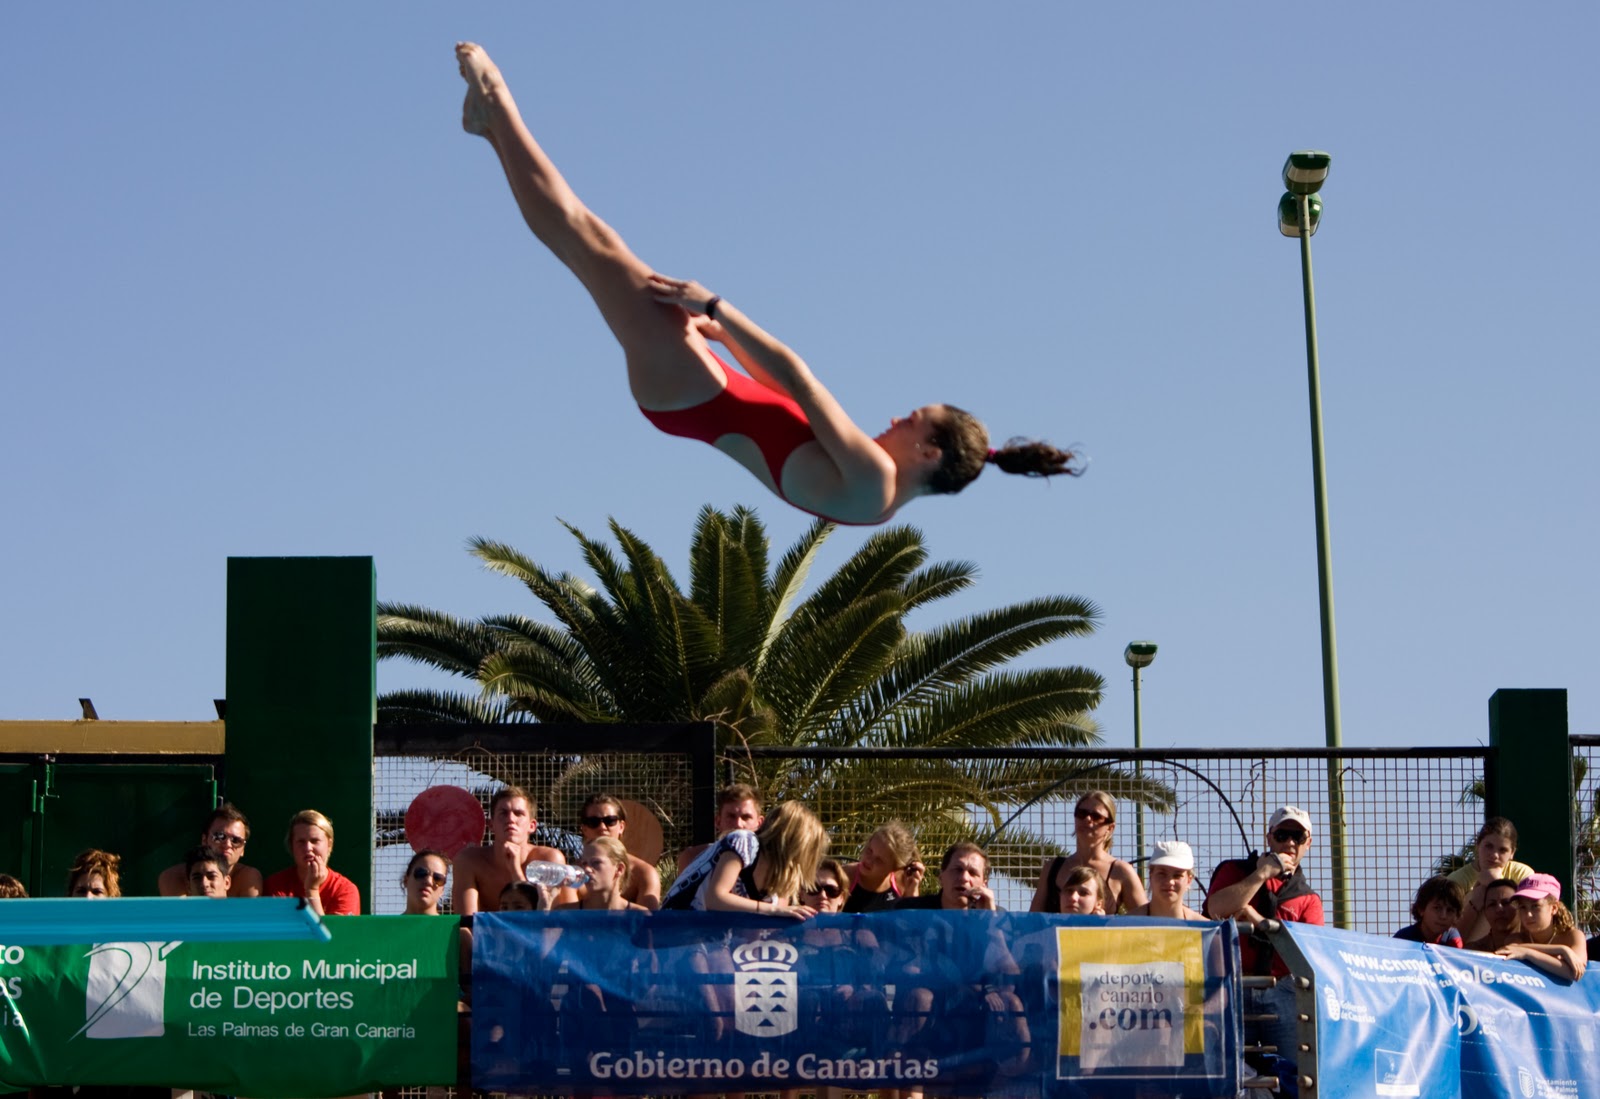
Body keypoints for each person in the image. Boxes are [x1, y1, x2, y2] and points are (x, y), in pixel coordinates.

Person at [453, 43, 1080, 527]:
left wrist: (717, 305)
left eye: (915, 418)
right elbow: (782, 389)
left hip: (691, 391)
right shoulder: (873, 476)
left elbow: (802, 380)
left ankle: (498, 100)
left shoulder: (874, 483)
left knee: (589, 240)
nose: (897, 415)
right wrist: (721, 334)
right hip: (701, 385)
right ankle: (491, 124)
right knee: (585, 245)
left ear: (930, 454)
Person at [1203, 806, 1324, 1075]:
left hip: (1282, 991)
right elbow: (1216, 909)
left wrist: (1256, 919)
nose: (1290, 843)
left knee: (1291, 1075)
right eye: (1282, 835)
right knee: (1228, 1073)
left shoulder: (1308, 898)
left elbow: (1308, 952)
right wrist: (1260, 875)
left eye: (1298, 837)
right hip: (1232, 987)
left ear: (1308, 843)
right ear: (1269, 838)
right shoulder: (1235, 871)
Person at [664, 800, 827, 916]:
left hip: (712, 933)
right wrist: (774, 910)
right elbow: (715, 898)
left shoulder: (778, 882)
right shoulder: (744, 842)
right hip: (678, 923)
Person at [453, 786, 577, 915]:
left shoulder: (548, 859)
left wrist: (515, 870)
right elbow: (466, 923)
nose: (511, 819)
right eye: (503, 813)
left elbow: (555, 922)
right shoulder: (469, 861)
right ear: (491, 825)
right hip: (488, 935)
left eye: (518, 814)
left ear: (532, 825)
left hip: (536, 934)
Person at [1029, 791, 1147, 915]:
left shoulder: (1121, 871)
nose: (1087, 819)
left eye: (1096, 816)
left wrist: (1107, 925)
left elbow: (1148, 923)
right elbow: (1032, 920)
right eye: (1081, 813)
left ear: (1110, 828)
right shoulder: (1052, 868)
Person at [263, 809, 361, 916]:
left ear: (329, 844)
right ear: (292, 846)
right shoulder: (276, 885)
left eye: (315, 841)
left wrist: (312, 890)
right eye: (301, 842)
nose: (308, 848)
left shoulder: (345, 890)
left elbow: (331, 933)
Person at [1448, 817, 1532, 941]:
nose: (1494, 855)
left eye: (1502, 850)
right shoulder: (1456, 880)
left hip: (1515, 945)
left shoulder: (1523, 873)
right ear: (1478, 845)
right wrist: (1476, 900)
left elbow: (1532, 917)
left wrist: (1497, 883)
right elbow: (1448, 934)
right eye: (1488, 846)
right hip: (1468, 948)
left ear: (1512, 853)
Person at [157, 802, 263, 898]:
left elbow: (247, 918)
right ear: (204, 840)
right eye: (219, 836)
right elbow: (182, 917)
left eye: (236, 840)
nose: (227, 844)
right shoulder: (174, 877)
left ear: (243, 849)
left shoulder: (247, 877)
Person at [575, 793, 661, 910]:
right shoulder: (574, 873)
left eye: (610, 820)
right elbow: (568, 921)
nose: (602, 827)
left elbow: (647, 924)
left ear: (621, 826)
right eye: (593, 822)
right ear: (584, 829)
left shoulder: (643, 873)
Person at [1497, 873, 1586, 980]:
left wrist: (1527, 953)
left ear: (1554, 908)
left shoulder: (1574, 935)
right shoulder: (1516, 939)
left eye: (1535, 906)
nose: (1528, 914)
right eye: (1523, 907)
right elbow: (1512, 948)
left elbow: (1573, 972)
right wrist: (1562, 949)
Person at [675, 783, 765, 872]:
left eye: (746, 817)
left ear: (759, 823)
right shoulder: (693, 858)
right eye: (731, 816)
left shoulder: (769, 862)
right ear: (718, 821)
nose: (738, 824)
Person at [841, 821, 925, 912]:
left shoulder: (903, 882)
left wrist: (912, 890)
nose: (869, 860)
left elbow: (911, 922)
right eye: (870, 850)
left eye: (879, 860)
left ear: (895, 867)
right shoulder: (844, 876)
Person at [557, 836, 649, 913]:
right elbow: (546, 935)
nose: (587, 869)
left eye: (596, 863)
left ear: (619, 869)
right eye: (584, 863)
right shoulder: (567, 914)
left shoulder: (639, 916)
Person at [1126, 841, 1206, 921]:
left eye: (1177, 875)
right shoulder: (1126, 925)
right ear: (1151, 876)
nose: (1169, 882)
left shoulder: (1205, 928)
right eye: (1162, 874)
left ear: (1189, 881)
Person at [1393, 876, 1465, 946]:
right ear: (1421, 909)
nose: (1443, 916)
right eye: (1437, 908)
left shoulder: (1452, 939)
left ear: (1456, 916)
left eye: (1449, 910)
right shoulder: (1403, 939)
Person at [1465, 877, 1520, 952]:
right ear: (1485, 911)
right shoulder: (1472, 952)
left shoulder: (1536, 947)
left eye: (1506, 903)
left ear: (1520, 907)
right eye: (1492, 904)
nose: (1499, 909)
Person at [402, 849, 452, 916]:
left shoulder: (452, 926)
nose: (428, 882)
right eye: (421, 873)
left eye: (438, 878)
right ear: (406, 880)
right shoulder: (387, 926)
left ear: (442, 890)